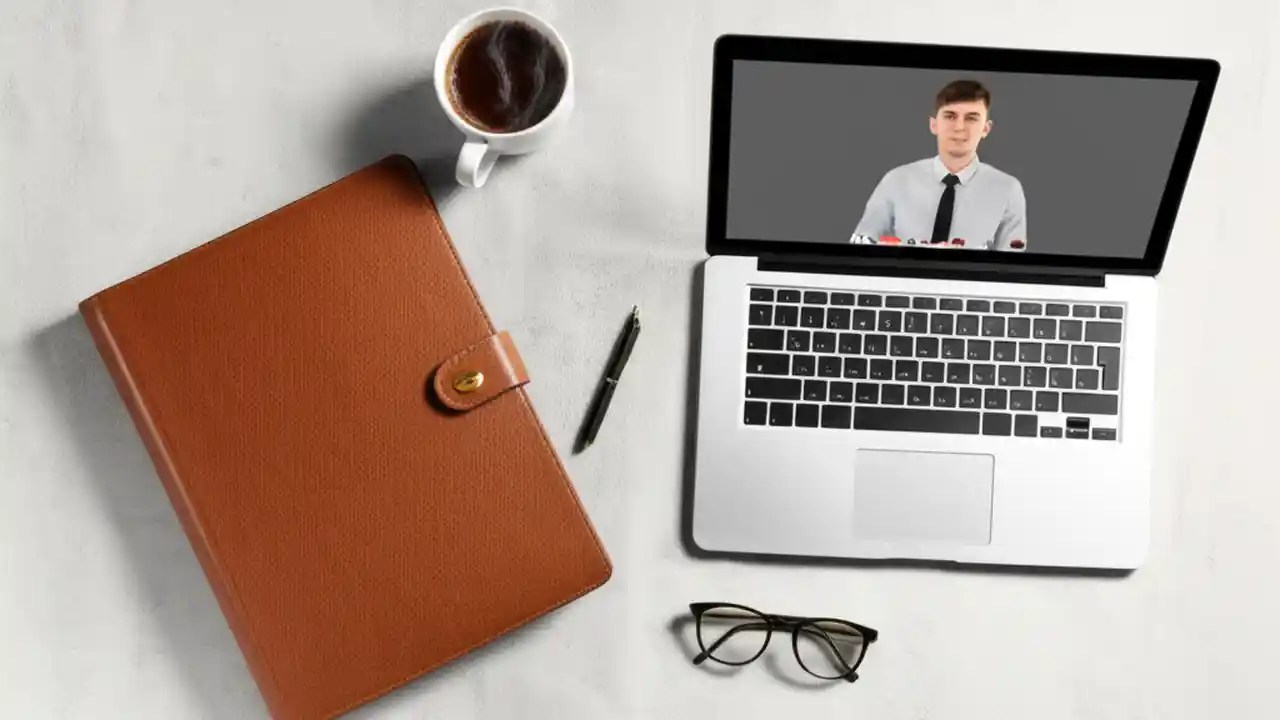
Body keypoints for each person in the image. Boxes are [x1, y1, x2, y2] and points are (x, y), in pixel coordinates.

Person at [852, 80, 1027, 250]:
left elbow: (1012, 267)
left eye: (971, 118)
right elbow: (860, 248)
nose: (959, 127)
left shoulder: (1007, 189)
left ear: (986, 129)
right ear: (934, 124)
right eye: (950, 116)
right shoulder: (896, 181)